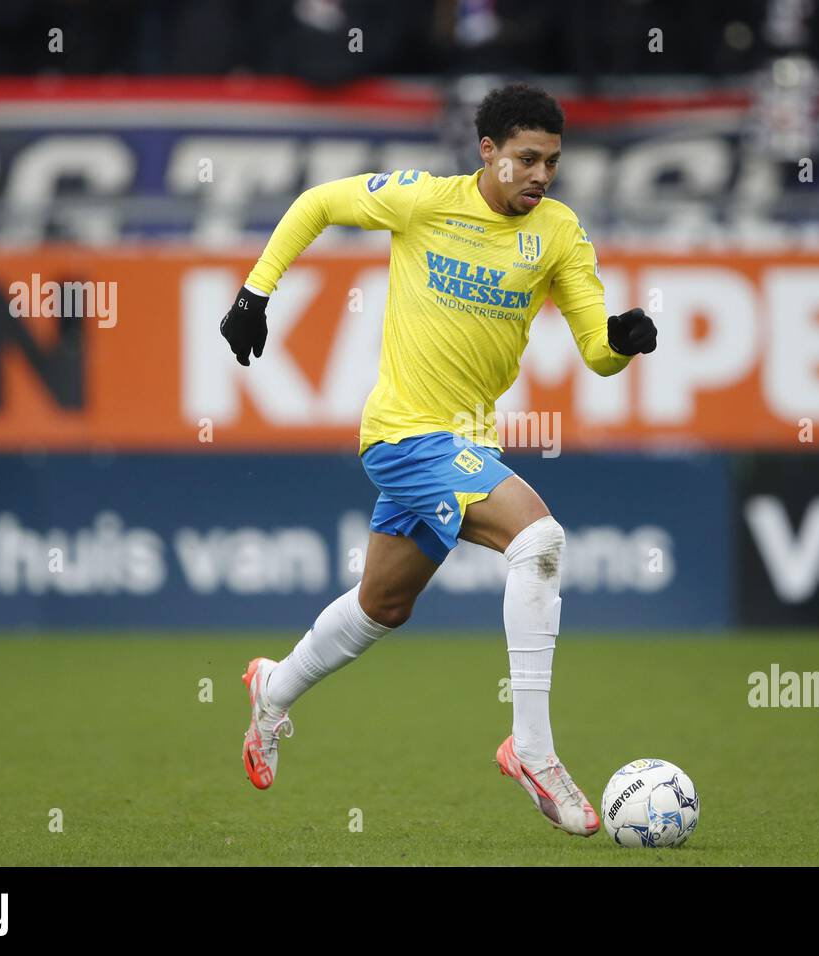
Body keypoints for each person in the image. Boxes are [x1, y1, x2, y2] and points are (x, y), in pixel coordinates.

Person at [219, 82, 657, 836]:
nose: (541, 175)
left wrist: (621, 341)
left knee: (382, 606)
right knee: (539, 539)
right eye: (526, 158)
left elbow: (595, 350)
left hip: (466, 443)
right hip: (404, 435)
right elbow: (318, 203)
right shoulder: (423, 201)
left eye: (552, 162)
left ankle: (274, 690)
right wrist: (256, 294)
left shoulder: (558, 233)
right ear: (487, 151)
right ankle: (531, 750)